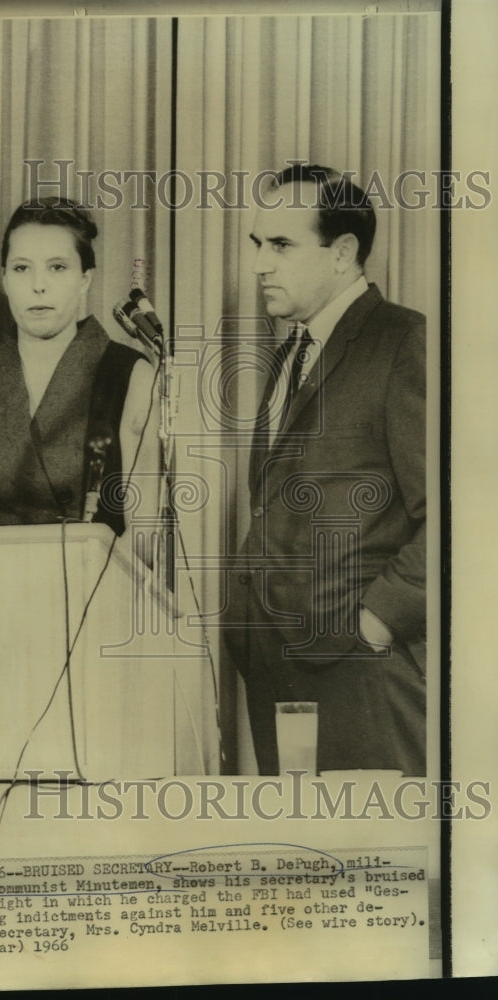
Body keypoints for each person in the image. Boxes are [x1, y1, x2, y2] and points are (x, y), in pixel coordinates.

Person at [224, 164, 426, 776]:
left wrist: (377, 624)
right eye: (258, 244)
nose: (260, 264)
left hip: (358, 674)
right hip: (275, 672)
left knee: (378, 863)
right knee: (301, 861)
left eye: (281, 245)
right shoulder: (289, 354)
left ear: (343, 254)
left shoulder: (404, 341)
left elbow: (458, 518)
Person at [0, 198, 159, 539]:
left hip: (96, 588)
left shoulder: (131, 377)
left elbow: (146, 541)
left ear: (85, 279)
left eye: (57, 267)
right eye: (21, 268)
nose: (38, 285)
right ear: (4, 279)